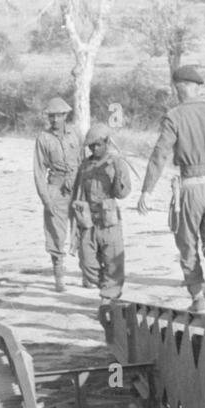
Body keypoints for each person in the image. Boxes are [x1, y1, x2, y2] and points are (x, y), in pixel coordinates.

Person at [137, 64, 205, 314]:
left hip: (190, 188)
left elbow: (160, 154)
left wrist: (147, 190)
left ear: (178, 88)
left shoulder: (174, 116)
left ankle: (197, 297)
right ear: (197, 88)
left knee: (187, 244)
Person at [72, 123, 132, 305]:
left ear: (107, 143)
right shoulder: (85, 166)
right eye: (91, 146)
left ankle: (108, 297)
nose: (94, 148)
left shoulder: (116, 163)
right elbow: (78, 193)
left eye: (98, 144)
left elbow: (122, 193)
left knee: (114, 261)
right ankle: (109, 288)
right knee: (87, 262)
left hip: (109, 221)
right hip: (89, 221)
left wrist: (118, 169)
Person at [33, 97, 82, 292]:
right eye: (51, 116)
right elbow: (38, 171)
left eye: (58, 116)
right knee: (55, 231)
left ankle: (88, 272)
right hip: (56, 186)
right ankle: (59, 275)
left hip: (77, 184)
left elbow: (84, 159)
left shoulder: (75, 133)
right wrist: (45, 198)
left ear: (65, 115)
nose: (54, 120)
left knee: (84, 226)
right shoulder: (43, 139)